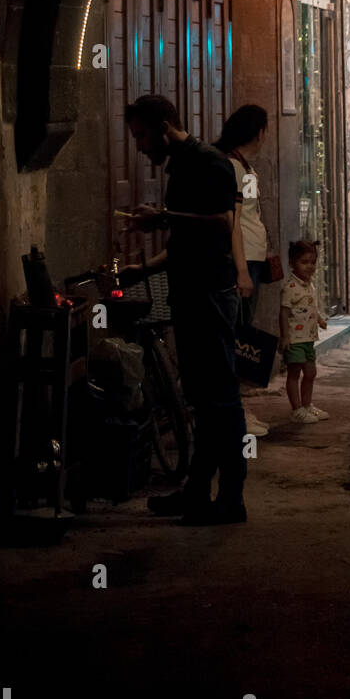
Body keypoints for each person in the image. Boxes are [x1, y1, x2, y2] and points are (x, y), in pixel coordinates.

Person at [120, 94, 247, 525]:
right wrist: (139, 270)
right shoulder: (181, 168)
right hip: (192, 296)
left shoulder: (209, 162)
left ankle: (231, 499)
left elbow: (221, 224)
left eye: (141, 135)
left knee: (221, 399)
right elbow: (180, 247)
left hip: (210, 295)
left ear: (163, 125)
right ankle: (196, 491)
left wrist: (162, 217)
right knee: (204, 399)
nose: (138, 146)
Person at [217, 104, 271, 438]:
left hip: (253, 255)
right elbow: (233, 221)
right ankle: (234, 411)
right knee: (237, 335)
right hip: (244, 259)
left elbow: (250, 213)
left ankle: (239, 406)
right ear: (258, 132)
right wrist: (242, 270)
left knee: (243, 331)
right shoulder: (232, 166)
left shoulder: (245, 165)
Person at [279, 240, 329, 422]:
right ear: (292, 263)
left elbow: (310, 307)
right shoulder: (290, 287)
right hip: (294, 339)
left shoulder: (309, 285)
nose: (309, 266)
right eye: (304, 262)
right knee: (294, 374)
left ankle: (307, 405)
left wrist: (320, 319)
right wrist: (284, 336)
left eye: (312, 262)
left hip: (308, 339)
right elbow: (283, 312)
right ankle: (297, 410)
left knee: (310, 373)